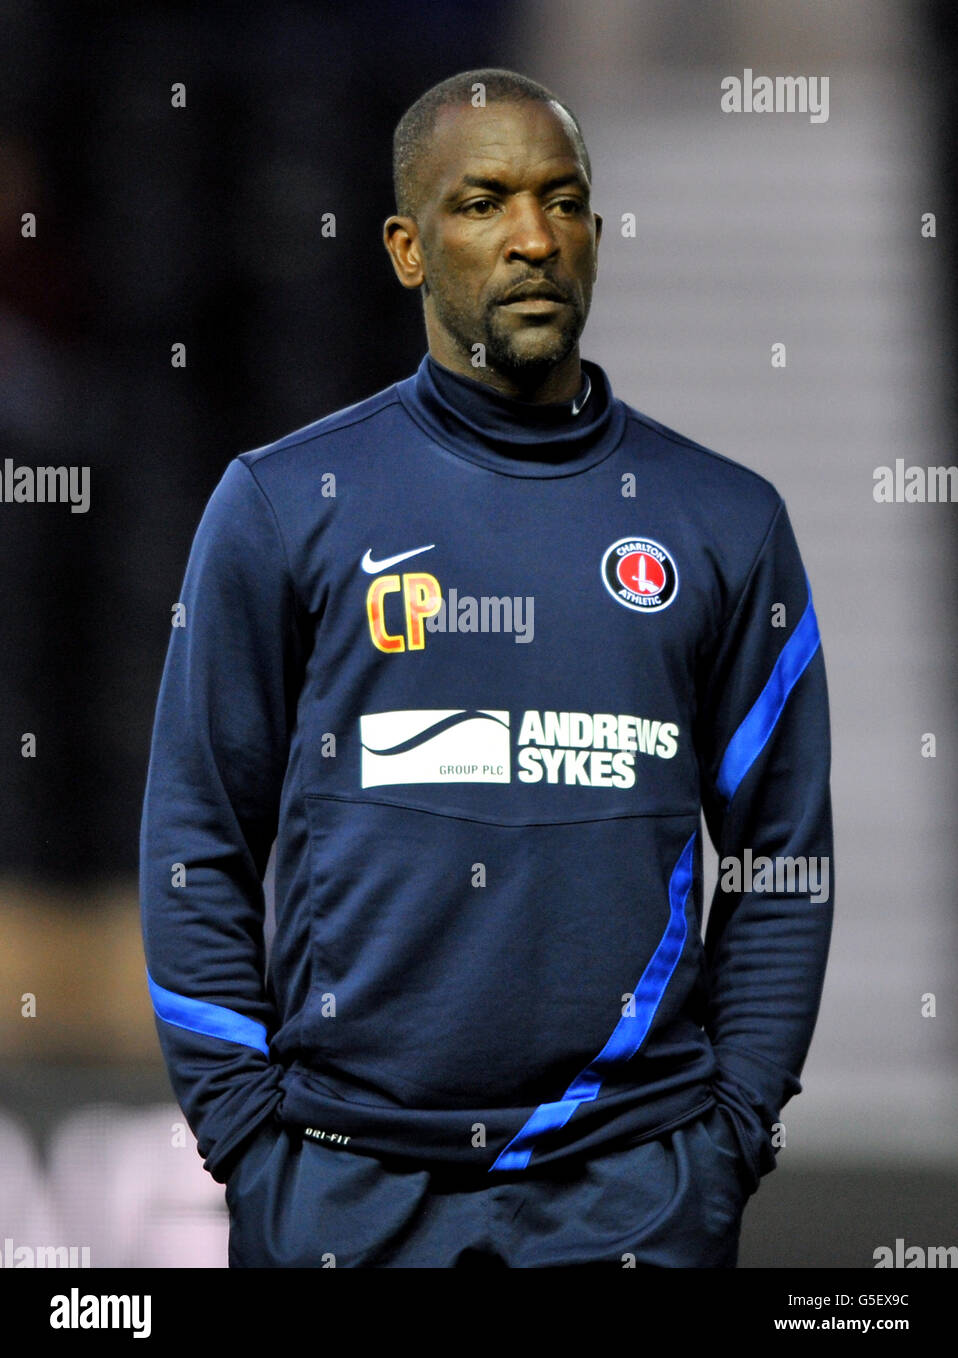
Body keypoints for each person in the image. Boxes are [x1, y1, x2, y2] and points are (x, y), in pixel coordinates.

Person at [139, 68, 834, 1269]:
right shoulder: (283, 504)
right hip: (343, 1191)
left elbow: (784, 858)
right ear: (407, 249)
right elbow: (196, 834)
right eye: (483, 202)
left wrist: (728, 1137)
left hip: (633, 1189)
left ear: (597, 241)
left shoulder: (722, 522)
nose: (531, 238)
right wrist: (247, 1138)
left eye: (562, 201)